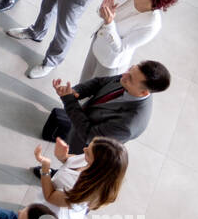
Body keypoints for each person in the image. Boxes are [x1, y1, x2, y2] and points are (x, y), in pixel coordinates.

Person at [42, 60, 172, 155]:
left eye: (130, 78)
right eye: (130, 69)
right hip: (79, 124)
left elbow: (88, 135)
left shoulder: (128, 124)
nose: (123, 75)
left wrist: (69, 100)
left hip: (86, 147)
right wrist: (75, 92)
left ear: (144, 93)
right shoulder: (129, 78)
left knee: (70, 166)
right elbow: (100, 82)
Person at [79, 0, 180, 81]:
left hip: (110, 61)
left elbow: (121, 48)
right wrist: (103, 10)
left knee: (93, 95)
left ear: (154, 0)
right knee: (82, 83)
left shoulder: (152, 25)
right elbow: (103, 11)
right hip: (98, 42)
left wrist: (109, 23)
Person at [29, 136, 128, 219]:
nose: (84, 150)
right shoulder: (90, 159)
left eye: (88, 153)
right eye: (88, 147)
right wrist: (62, 156)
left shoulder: (85, 192)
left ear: (97, 166)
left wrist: (45, 169)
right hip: (49, 202)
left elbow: (50, 196)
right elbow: (72, 160)